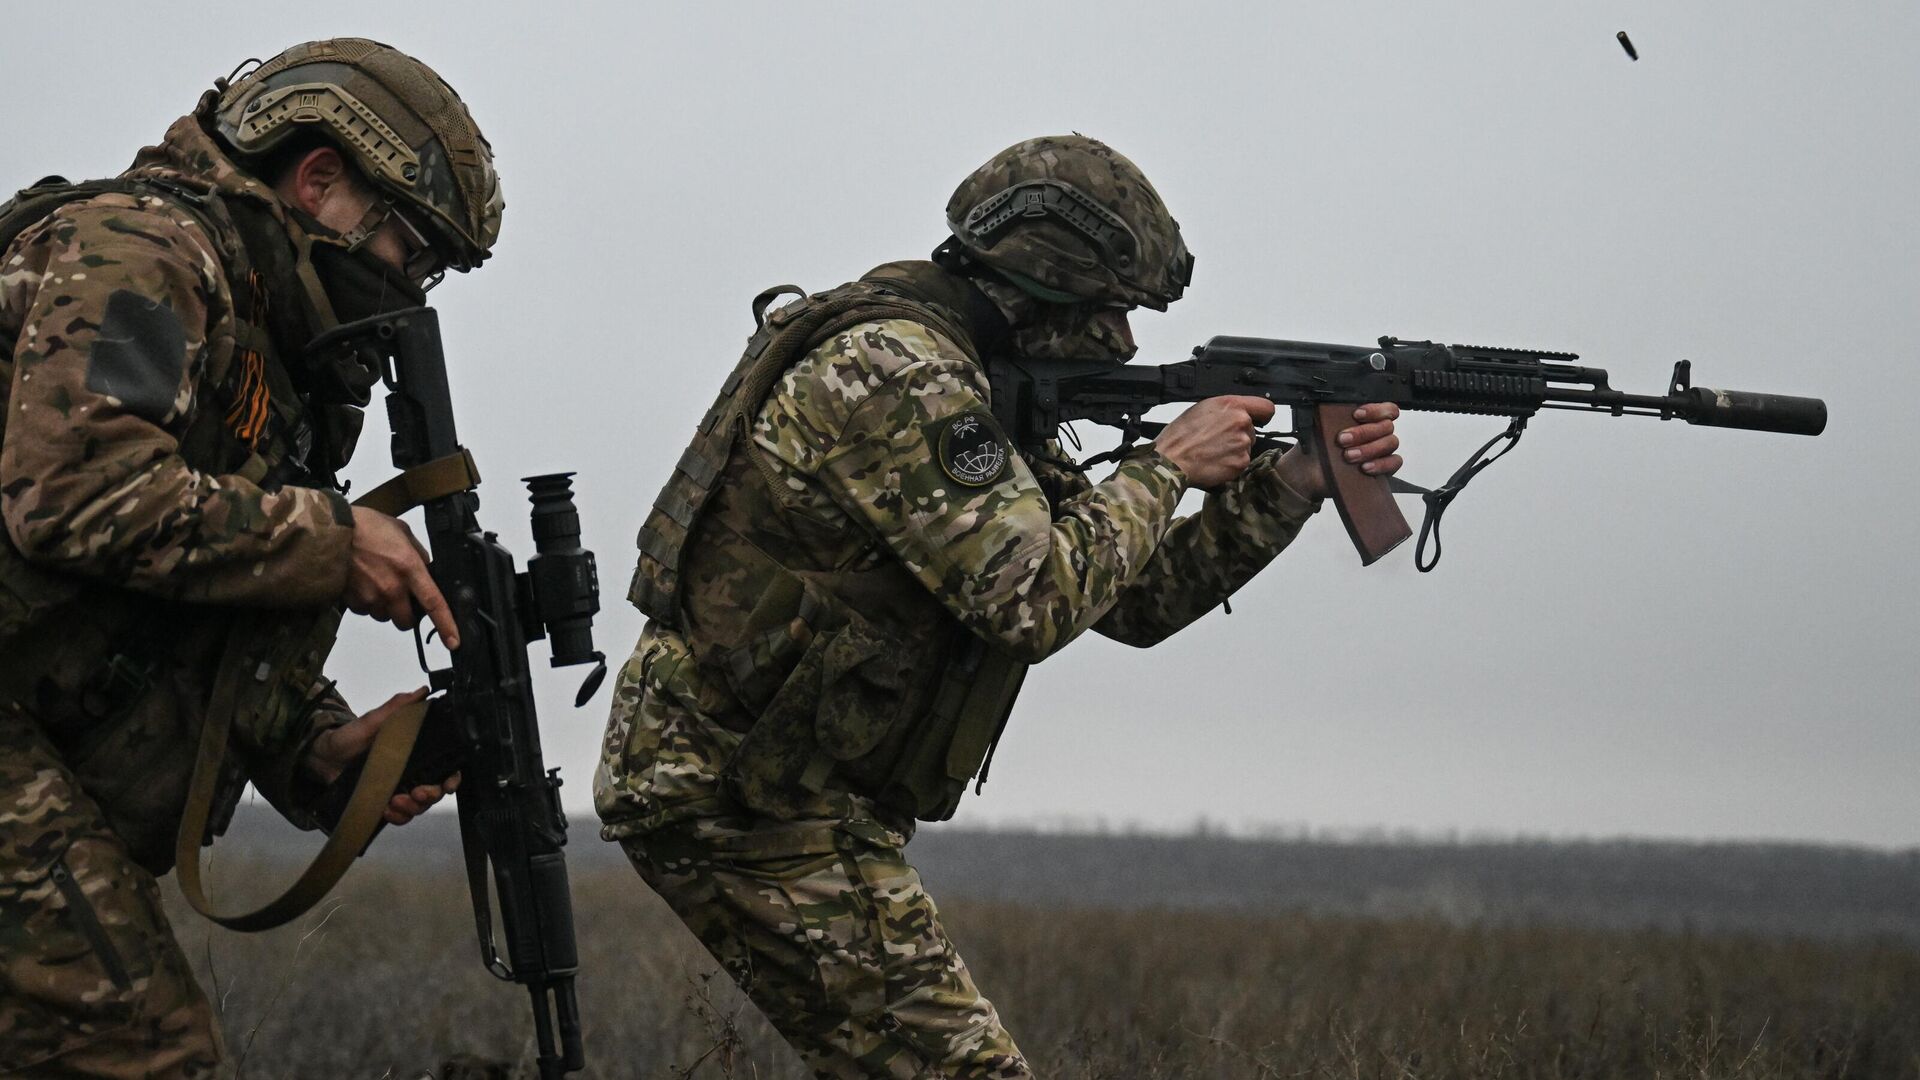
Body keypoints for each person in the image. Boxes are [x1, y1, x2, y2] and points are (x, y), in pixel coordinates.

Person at [596, 134, 1405, 1078]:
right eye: (1111, 313)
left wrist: (1296, 480)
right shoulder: (902, 373)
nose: (1127, 344)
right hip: (739, 797)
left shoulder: (969, 384)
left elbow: (1131, 600)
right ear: (1047, 286)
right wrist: (1166, 467)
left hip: (784, 789)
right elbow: (1032, 599)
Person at [0, 38, 502, 1078]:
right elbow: (79, 492)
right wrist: (334, 541)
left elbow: (190, 607)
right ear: (319, 180)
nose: (414, 286)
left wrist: (320, 754)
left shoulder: (279, 362)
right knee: (134, 1041)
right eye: (414, 249)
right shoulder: (142, 255)